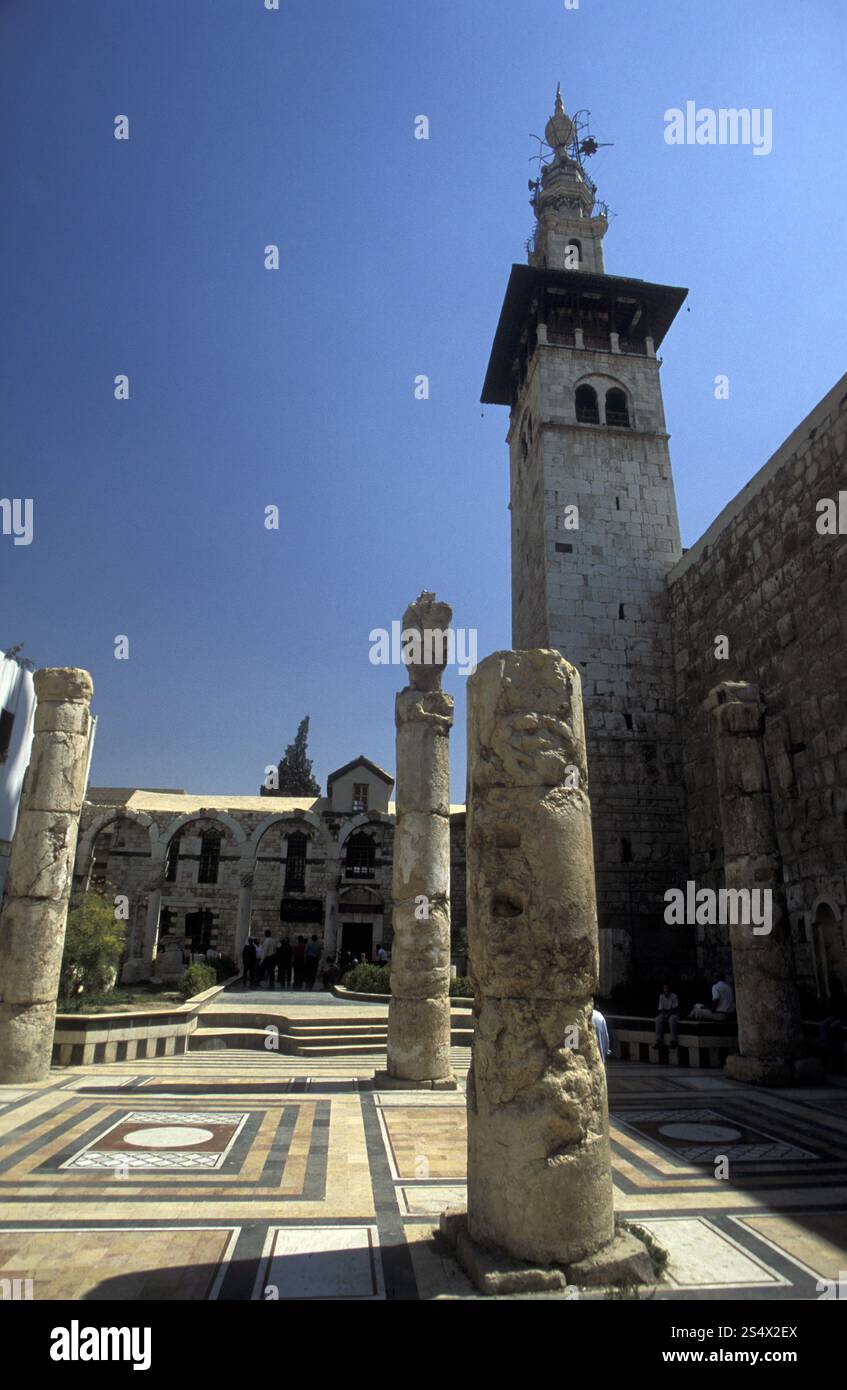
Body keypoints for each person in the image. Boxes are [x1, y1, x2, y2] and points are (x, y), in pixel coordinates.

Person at [655, 983, 680, 1047]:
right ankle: (659, 1040)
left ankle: (673, 1041)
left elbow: (675, 1008)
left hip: (673, 1013)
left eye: (667, 988)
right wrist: (664, 1014)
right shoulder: (661, 996)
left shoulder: (674, 996)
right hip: (665, 1013)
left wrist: (668, 1014)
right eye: (665, 988)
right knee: (658, 1019)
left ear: (669, 989)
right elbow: (661, 1008)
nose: (666, 989)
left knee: (672, 1020)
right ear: (663, 989)